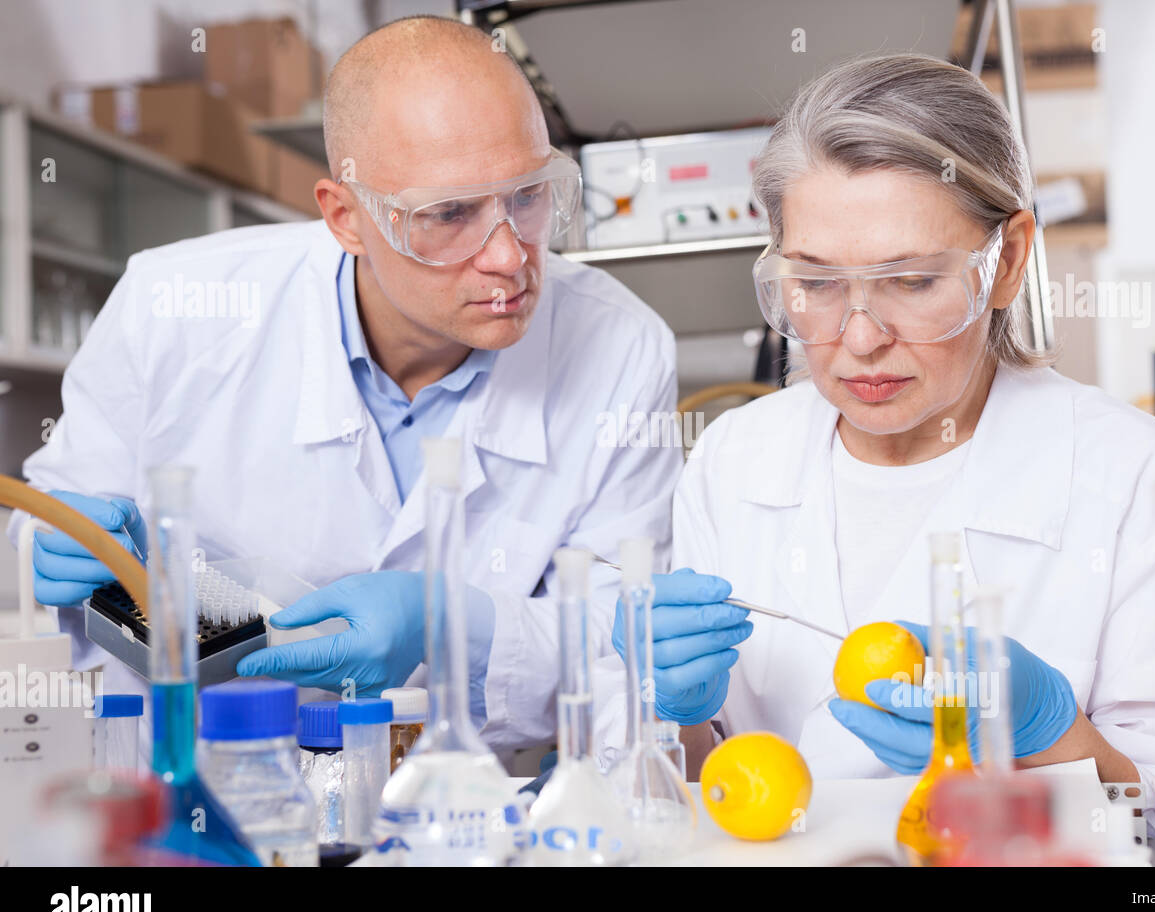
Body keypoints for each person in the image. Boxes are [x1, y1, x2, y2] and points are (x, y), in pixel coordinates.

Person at [9, 15, 738, 752]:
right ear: (346, 217)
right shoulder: (171, 308)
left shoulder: (619, 345)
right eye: (448, 213)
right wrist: (54, 547)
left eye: (529, 195)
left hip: (464, 808)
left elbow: (618, 642)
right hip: (208, 783)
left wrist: (449, 625)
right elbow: (44, 527)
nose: (510, 256)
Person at [598, 53, 1155, 831]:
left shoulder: (1133, 476)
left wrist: (1051, 737)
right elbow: (693, 797)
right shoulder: (732, 463)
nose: (859, 338)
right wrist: (673, 714)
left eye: (913, 280)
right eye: (817, 284)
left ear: (1008, 261)